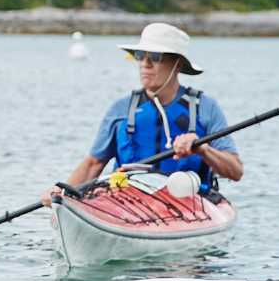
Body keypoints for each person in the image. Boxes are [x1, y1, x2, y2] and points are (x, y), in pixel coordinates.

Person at [46, 22, 243, 203]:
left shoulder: (205, 108)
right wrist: (62, 194)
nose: (145, 64)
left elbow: (235, 171)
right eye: (140, 56)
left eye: (155, 57)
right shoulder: (120, 109)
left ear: (178, 64)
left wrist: (203, 149)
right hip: (127, 202)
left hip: (189, 201)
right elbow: (93, 164)